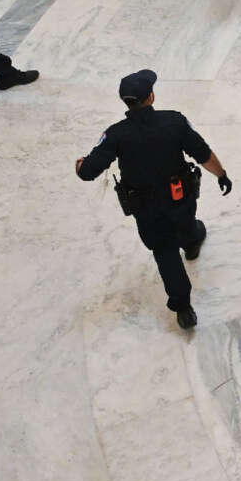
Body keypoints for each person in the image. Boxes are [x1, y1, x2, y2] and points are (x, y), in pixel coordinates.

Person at [74, 69, 231, 328]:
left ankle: (183, 309)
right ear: (151, 96)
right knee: (186, 222)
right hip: (179, 196)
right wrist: (222, 174)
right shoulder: (174, 121)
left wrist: (79, 164)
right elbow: (203, 154)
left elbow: (88, 172)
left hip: (146, 208)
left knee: (164, 251)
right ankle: (192, 243)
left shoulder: (116, 134)